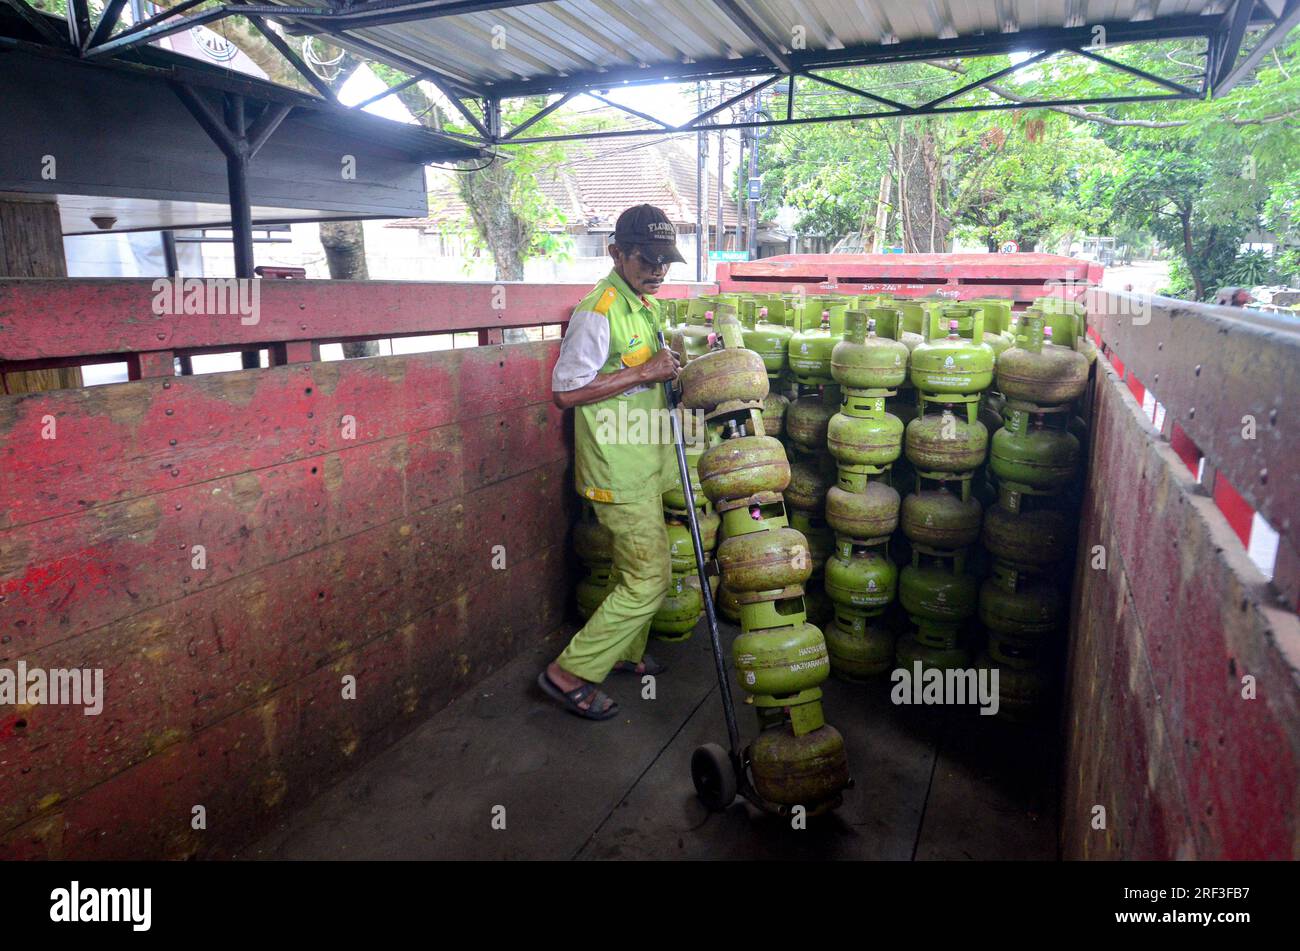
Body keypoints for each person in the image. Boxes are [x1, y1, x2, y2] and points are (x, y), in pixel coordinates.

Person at [538, 205, 686, 720]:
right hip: (616, 470)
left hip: (642, 460)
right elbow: (565, 391)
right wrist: (645, 371)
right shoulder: (598, 310)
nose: (658, 270)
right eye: (647, 260)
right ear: (616, 253)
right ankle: (568, 673)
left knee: (637, 569)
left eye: (665, 261)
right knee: (649, 579)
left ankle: (623, 652)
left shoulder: (643, 306)